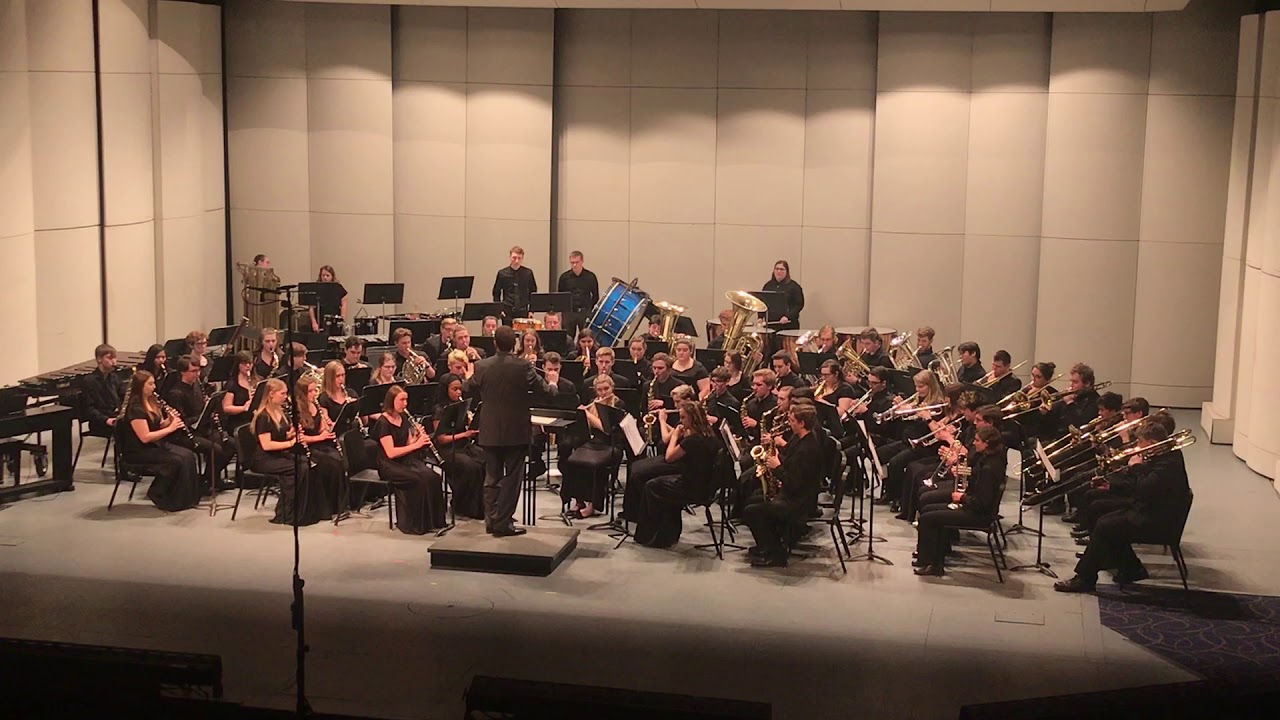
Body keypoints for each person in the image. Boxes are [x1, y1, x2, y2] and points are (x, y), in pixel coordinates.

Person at [1055, 418, 1190, 593]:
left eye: (1141, 443)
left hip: (1158, 519)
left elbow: (1144, 488)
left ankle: (1085, 578)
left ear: (1153, 443)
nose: (1138, 447)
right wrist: (1111, 486)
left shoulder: (1168, 463)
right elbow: (1138, 486)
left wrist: (1135, 467)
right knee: (1101, 513)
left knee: (1106, 525)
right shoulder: (1160, 456)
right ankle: (1129, 567)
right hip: (1148, 507)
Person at [465, 326, 557, 536]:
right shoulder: (523, 366)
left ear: (494, 343)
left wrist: (471, 376)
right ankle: (502, 523)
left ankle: (491, 519)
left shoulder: (482, 366)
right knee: (513, 478)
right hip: (516, 431)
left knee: (492, 477)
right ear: (514, 344)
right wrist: (553, 383)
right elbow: (546, 393)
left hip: (490, 430)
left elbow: (466, 388)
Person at [913, 426, 1007, 576]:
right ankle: (935, 554)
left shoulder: (990, 468)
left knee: (928, 518)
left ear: (987, 443)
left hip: (978, 515)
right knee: (927, 509)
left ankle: (933, 564)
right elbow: (976, 477)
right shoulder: (988, 459)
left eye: (977, 441)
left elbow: (981, 503)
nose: (974, 443)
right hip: (974, 507)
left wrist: (961, 497)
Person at [742, 402, 823, 567]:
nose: (789, 423)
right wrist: (779, 457)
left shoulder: (808, 448)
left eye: (792, 421)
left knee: (752, 511)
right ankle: (766, 546)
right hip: (793, 493)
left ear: (801, 423)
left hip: (798, 501)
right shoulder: (800, 439)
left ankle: (776, 554)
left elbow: (794, 483)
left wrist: (777, 467)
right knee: (753, 500)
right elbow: (792, 465)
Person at [632, 400, 719, 548]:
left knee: (651, 486)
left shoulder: (693, 441)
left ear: (692, 418)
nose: (681, 420)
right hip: (704, 483)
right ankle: (669, 533)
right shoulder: (709, 434)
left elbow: (669, 457)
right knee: (657, 483)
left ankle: (654, 535)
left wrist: (674, 436)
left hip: (691, 487)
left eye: (683, 417)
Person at [252, 378, 332, 526]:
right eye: (282, 394)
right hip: (264, 459)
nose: (285, 397)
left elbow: (282, 434)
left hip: (279, 454)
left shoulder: (280, 411)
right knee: (300, 468)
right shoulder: (263, 417)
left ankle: (309, 511)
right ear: (271, 394)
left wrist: (292, 433)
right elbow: (266, 445)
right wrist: (291, 442)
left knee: (308, 463)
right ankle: (288, 513)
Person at [119, 370, 202, 512]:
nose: (154, 387)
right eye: (150, 384)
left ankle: (188, 499)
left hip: (154, 445)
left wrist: (170, 421)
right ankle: (161, 493)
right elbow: (145, 437)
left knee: (188, 455)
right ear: (141, 387)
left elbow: (157, 425)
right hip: (139, 451)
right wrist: (171, 429)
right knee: (178, 460)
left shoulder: (151, 401)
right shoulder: (135, 409)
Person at [374, 385, 447, 534]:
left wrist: (417, 438)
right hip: (389, 465)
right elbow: (391, 453)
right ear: (391, 401)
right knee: (418, 480)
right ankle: (413, 524)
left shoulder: (404, 418)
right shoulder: (383, 422)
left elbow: (408, 444)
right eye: (401, 400)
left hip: (404, 459)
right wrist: (416, 445)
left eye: (406, 400)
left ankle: (433, 522)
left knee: (433, 477)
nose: (405, 404)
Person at [163, 355, 235, 490]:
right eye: (193, 371)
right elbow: (181, 421)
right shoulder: (176, 393)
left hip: (202, 429)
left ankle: (210, 479)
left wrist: (209, 409)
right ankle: (208, 482)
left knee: (231, 444)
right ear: (182, 372)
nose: (197, 374)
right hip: (184, 434)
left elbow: (201, 409)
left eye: (198, 371)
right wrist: (203, 416)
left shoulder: (197, 385)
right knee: (216, 449)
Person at [561, 375, 625, 519]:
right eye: (600, 390)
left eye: (606, 389)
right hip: (595, 442)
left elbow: (606, 429)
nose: (603, 393)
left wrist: (588, 416)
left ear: (612, 388)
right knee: (573, 461)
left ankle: (593, 505)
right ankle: (579, 501)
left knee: (595, 465)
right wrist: (581, 416)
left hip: (612, 444)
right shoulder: (593, 403)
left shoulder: (619, 404)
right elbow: (587, 429)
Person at [432, 377, 485, 520]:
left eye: (459, 389)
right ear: (445, 390)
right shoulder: (439, 409)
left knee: (485, 460)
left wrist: (471, 422)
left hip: (462, 445)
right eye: (454, 389)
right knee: (470, 467)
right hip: (447, 449)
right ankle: (462, 506)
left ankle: (482, 506)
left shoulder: (462, 404)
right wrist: (465, 434)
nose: (458, 392)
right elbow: (441, 438)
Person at [83, 344, 127, 436]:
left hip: (116, 417)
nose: (114, 362)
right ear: (99, 359)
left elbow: (123, 397)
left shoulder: (115, 377)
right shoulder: (90, 381)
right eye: (110, 358)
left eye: (115, 358)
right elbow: (89, 409)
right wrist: (106, 419)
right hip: (100, 422)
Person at [557, 250, 599, 334]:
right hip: (569, 313)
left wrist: (590, 311)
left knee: (586, 335)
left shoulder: (590, 277)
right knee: (567, 337)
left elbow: (595, 296)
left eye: (577, 262)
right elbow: (561, 296)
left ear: (582, 261)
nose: (574, 265)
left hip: (584, 312)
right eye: (572, 263)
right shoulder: (564, 277)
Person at [492, 245, 537, 323]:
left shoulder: (528, 273)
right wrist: (499, 310)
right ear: (510, 257)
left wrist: (531, 310)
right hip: (507, 311)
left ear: (522, 258)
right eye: (514, 258)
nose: (516, 261)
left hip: (523, 311)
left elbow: (533, 292)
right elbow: (496, 292)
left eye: (519, 258)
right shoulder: (502, 273)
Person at [762, 260, 804, 330]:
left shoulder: (794, 287)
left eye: (781, 269)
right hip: (770, 325)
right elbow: (762, 303)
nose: (779, 271)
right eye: (777, 269)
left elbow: (799, 305)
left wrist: (788, 316)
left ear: (786, 271)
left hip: (788, 325)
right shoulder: (768, 286)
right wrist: (760, 317)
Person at [221, 351, 256, 431]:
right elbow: (226, 408)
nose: (247, 366)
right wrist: (243, 408)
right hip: (238, 422)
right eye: (244, 363)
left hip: (253, 420)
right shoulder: (232, 384)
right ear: (238, 365)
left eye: (250, 363)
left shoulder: (256, 380)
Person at [308, 265, 348, 332]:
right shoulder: (316, 288)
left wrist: (342, 319)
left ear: (332, 276)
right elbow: (311, 308)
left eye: (327, 275)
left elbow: (344, 304)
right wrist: (314, 323)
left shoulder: (338, 287)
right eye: (323, 275)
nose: (325, 278)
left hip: (335, 320)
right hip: (320, 320)